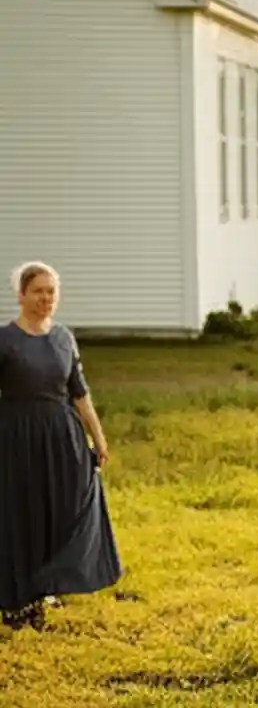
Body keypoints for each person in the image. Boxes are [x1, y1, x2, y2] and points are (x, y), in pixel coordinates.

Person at [0, 261, 122, 631]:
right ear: (21, 295)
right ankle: (19, 599)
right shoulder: (4, 340)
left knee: (67, 507)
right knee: (23, 514)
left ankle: (50, 582)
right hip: (17, 436)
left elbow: (79, 393)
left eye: (51, 291)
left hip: (62, 436)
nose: (45, 298)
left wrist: (98, 437)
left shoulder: (64, 338)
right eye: (38, 291)